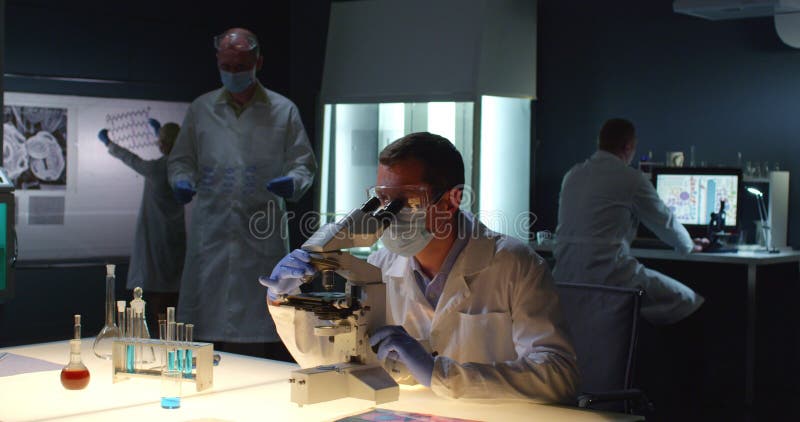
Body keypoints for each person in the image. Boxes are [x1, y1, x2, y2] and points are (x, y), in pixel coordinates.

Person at [261, 132, 579, 402]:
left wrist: (439, 374)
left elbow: (558, 375)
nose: (391, 215)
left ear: (451, 200)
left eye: (408, 201)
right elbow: (337, 363)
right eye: (383, 201)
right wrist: (284, 301)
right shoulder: (378, 267)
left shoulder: (515, 265)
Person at [168, 28, 316, 358]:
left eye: (240, 67)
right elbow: (181, 159)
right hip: (212, 232)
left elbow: (303, 162)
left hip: (259, 232)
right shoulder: (202, 109)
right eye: (226, 67)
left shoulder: (283, 110)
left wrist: (293, 182)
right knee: (201, 328)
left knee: (256, 329)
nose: (233, 74)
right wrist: (180, 180)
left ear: (258, 62)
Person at [552, 118, 706, 325]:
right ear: (628, 146)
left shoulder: (572, 174)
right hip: (608, 274)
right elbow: (664, 221)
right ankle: (633, 331)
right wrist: (688, 245)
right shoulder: (631, 178)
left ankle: (626, 326)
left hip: (565, 279)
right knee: (686, 299)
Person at [98, 119, 186, 332]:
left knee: (157, 295)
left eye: (160, 141)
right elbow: (171, 152)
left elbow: (131, 159)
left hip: (156, 240)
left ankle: (161, 337)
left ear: (164, 144)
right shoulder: (183, 168)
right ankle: (169, 336)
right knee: (171, 294)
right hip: (175, 238)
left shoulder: (157, 169)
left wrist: (109, 143)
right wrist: (159, 133)